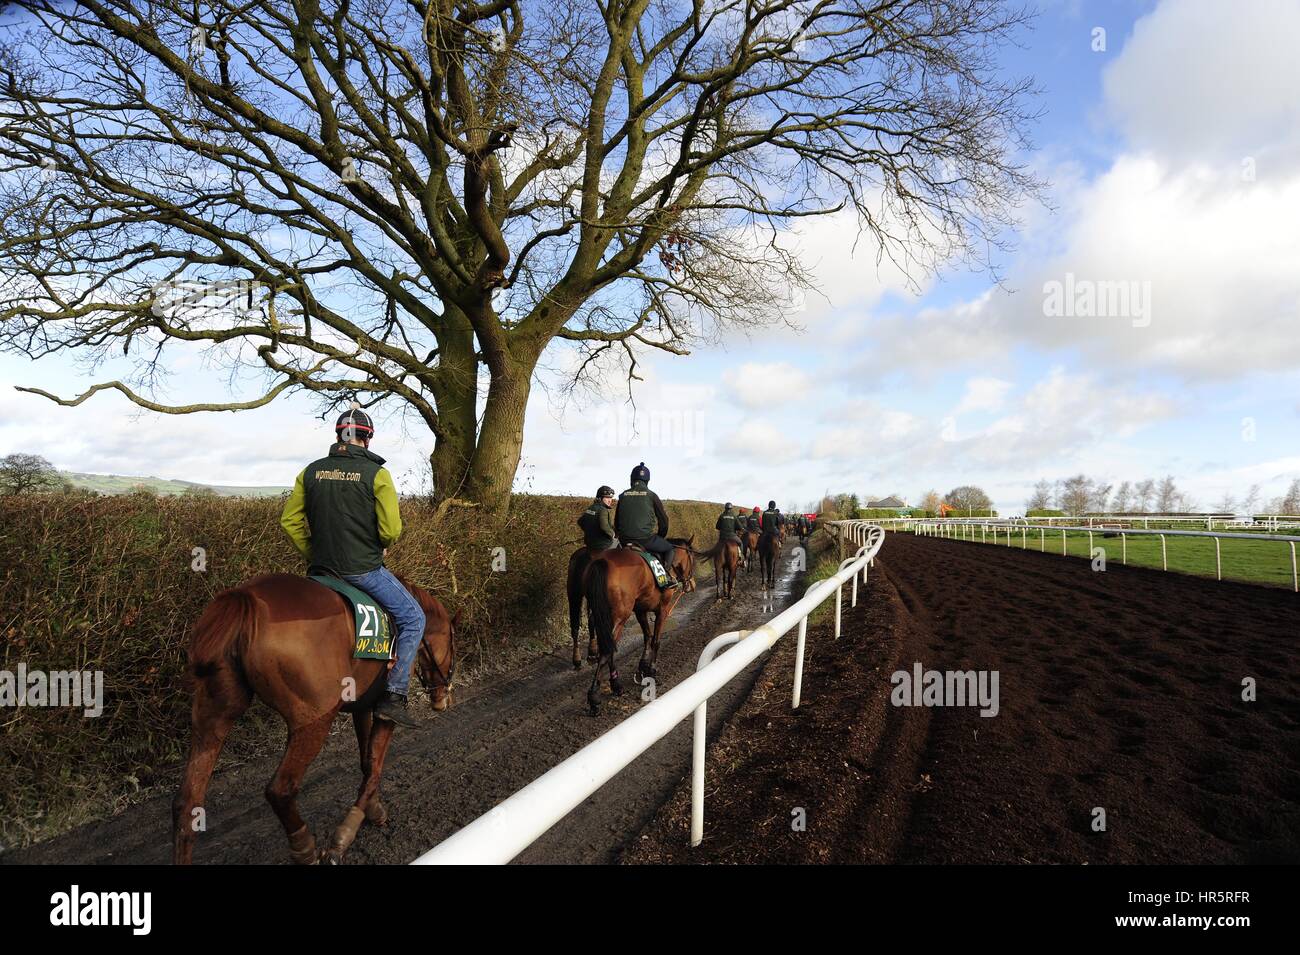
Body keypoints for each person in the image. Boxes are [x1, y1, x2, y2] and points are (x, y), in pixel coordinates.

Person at [279, 404, 425, 727]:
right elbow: (391, 530)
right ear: (367, 440)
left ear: (338, 436)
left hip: (320, 572)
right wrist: (379, 545)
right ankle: (394, 694)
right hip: (364, 571)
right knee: (414, 617)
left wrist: (314, 553)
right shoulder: (378, 474)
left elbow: (289, 521)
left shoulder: (310, 471)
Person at [614, 462, 679, 588]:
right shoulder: (652, 495)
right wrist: (660, 536)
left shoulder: (622, 496)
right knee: (670, 548)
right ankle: (665, 576)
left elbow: (617, 522)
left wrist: (621, 535)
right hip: (645, 540)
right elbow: (664, 521)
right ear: (647, 480)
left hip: (624, 540)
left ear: (632, 480)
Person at [578, 486, 618, 551]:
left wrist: (590, 532)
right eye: (607, 497)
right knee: (620, 545)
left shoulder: (591, 507)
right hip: (602, 544)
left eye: (611, 498)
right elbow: (604, 526)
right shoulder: (603, 510)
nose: (609, 500)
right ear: (600, 498)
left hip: (589, 542)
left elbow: (580, 521)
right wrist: (613, 534)